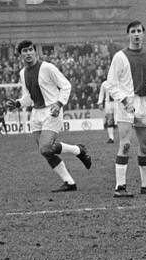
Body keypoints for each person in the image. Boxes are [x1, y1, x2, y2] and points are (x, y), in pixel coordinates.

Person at [8, 39, 92, 192]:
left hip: (51, 111)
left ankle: (78, 150)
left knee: (46, 148)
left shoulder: (47, 68)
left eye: (30, 50)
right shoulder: (22, 73)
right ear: (20, 55)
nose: (28, 53)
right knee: (45, 152)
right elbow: (28, 97)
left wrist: (59, 104)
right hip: (35, 113)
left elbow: (66, 85)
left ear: (35, 51)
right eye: (24, 51)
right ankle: (69, 182)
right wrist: (18, 103)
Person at [106, 20, 146, 197]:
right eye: (133, 31)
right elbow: (111, 83)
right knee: (125, 144)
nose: (136, 34)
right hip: (127, 103)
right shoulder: (120, 56)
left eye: (139, 31)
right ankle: (120, 187)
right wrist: (124, 99)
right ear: (128, 35)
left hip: (145, 102)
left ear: (143, 33)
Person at [97, 78, 116, 143]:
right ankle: (111, 138)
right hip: (108, 103)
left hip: (118, 102)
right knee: (109, 120)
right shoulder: (104, 84)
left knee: (120, 121)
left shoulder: (118, 81)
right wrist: (100, 103)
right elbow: (101, 94)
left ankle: (124, 138)